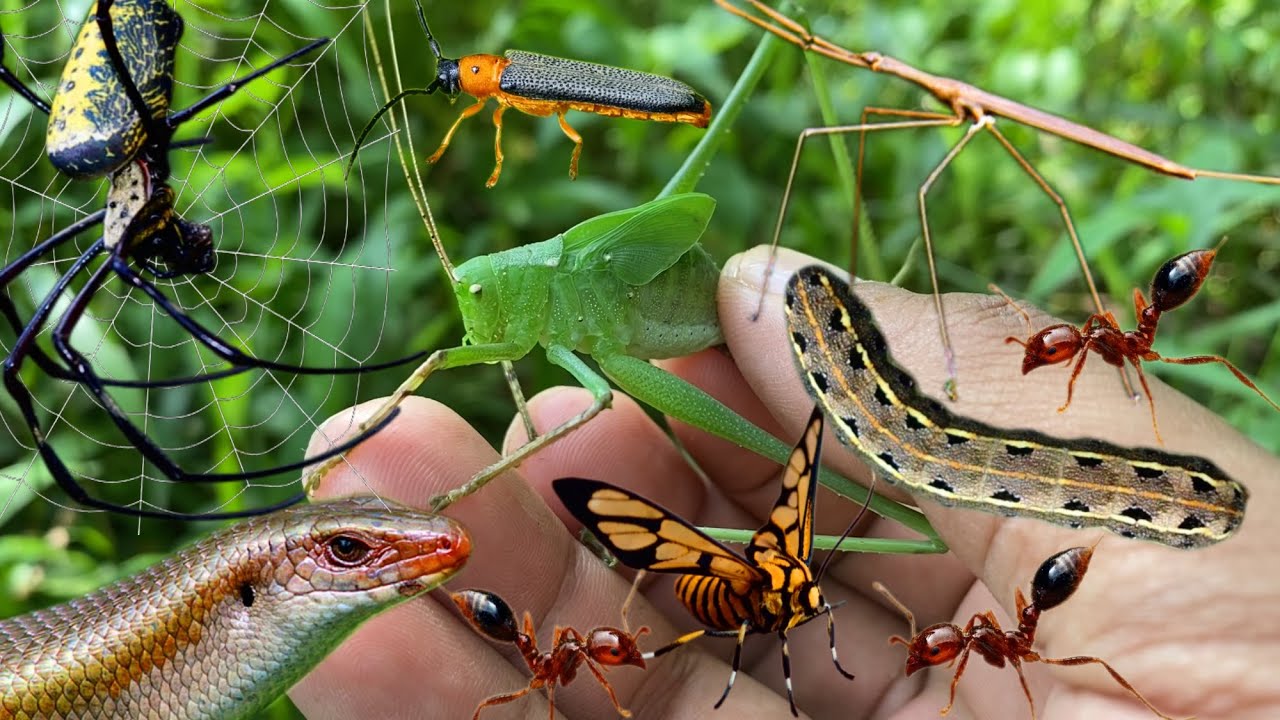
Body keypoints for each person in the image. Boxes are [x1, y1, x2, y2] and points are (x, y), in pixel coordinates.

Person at [291, 246, 1279, 720]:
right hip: (750, 567)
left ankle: (901, 519)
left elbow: (590, 406)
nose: (470, 305)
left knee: (599, 433)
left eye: (476, 292)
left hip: (669, 327)